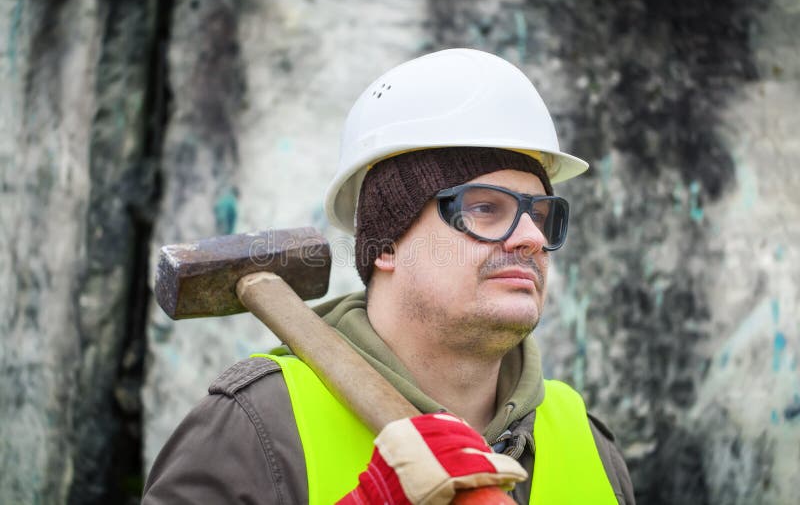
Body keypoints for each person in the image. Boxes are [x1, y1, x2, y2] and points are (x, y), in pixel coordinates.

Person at [142, 48, 635, 504]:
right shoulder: (257, 426)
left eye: (541, 214)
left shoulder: (586, 440)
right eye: (485, 208)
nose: (530, 237)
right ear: (387, 244)